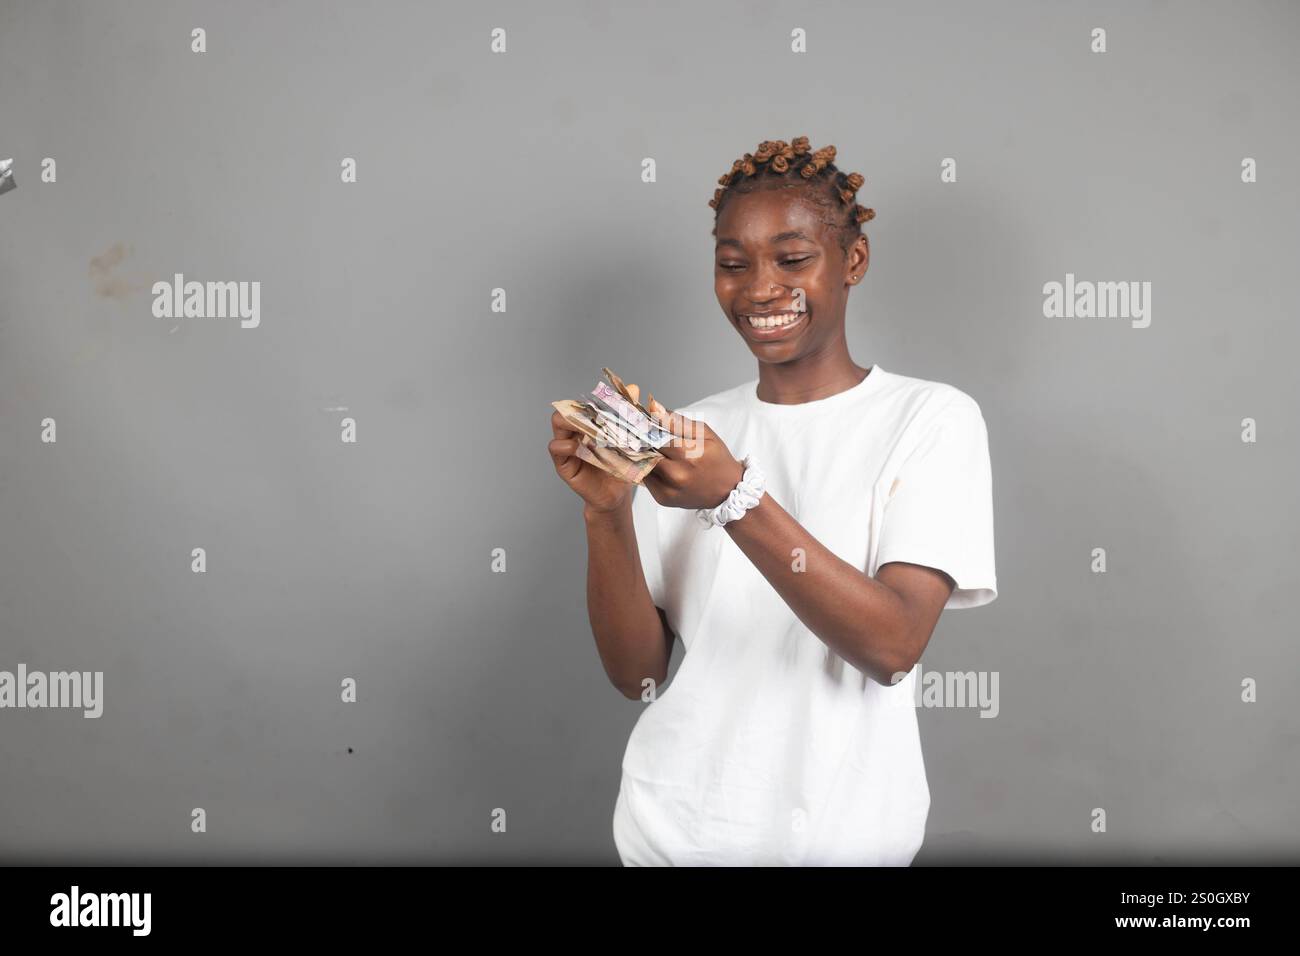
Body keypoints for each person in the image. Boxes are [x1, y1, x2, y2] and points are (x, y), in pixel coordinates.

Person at [547, 136, 997, 865]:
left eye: (792, 259)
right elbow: (640, 676)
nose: (759, 287)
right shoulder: (691, 434)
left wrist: (733, 494)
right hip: (670, 831)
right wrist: (607, 513)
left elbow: (891, 646)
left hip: (840, 838)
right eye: (732, 264)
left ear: (852, 261)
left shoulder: (930, 420)